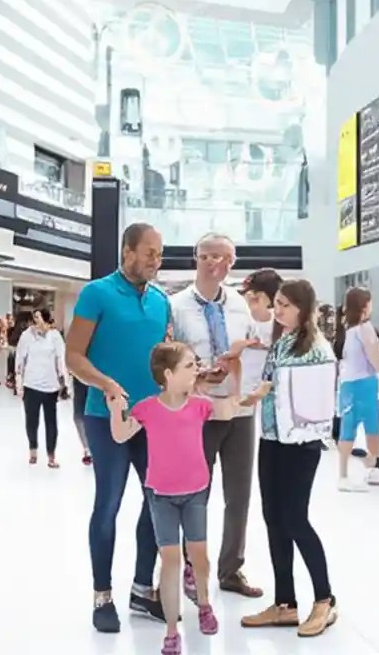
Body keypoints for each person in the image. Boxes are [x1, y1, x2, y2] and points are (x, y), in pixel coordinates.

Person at [66, 222, 169, 632]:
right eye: (149, 252)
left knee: (157, 502)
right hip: (106, 416)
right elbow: (74, 357)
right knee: (108, 502)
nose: (156, 260)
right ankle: (102, 595)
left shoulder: (161, 301)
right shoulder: (96, 293)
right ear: (127, 251)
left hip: (152, 418)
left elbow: (162, 359)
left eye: (159, 254)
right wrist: (106, 384)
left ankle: (143, 590)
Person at [168, 233, 263, 601]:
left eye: (221, 257)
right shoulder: (176, 306)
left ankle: (231, 567)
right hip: (198, 412)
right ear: (196, 258)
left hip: (239, 410)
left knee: (238, 494)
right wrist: (196, 376)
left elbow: (254, 349)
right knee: (195, 495)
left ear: (232, 262)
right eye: (206, 255)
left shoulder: (240, 305)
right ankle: (192, 569)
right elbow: (169, 357)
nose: (213, 263)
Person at [240, 279, 338, 637]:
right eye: (276, 304)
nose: (277, 311)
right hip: (272, 438)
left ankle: (325, 599)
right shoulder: (282, 341)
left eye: (284, 305)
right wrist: (258, 394)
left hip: (300, 443)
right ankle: (285, 603)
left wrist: (271, 389)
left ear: (303, 308)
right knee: (274, 518)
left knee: (295, 519)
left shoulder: (317, 348)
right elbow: (271, 384)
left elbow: (314, 397)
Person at [110, 342, 220, 653]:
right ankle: (171, 630)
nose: (196, 370)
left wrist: (244, 393)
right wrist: (115, 410)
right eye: (189, 366)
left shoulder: (201, 406)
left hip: (196, 492)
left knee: (199, 555)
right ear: (168, 374)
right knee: (170, 560)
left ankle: (204, 603)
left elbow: (228, 410)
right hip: (161, 497)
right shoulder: (147, 409)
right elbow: (120, 435)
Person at [336, 287, 379, 492]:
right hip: (364, 384)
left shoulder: (346, 329)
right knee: (371, 426)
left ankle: (347, 473)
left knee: (349, 427)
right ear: (365, 306)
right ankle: (369, 468)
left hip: (348, 384)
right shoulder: (365, 329)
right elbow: (377, 362)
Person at [15, 309, 68, 468]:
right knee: (31, 421)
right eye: (34, 317)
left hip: (50, 386)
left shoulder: (55, 336)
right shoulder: (27, 336)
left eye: (38, 317)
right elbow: (20, 359)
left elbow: (61, 359)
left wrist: (64, 380)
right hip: (31, 385)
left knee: (51, 423)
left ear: (46, 319)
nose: (35, 320)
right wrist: (19, 381)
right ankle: (33, 449)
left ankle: (51, 456)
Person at [72, 378, 93, 466]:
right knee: (78, 417)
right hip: (80, 380)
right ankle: (87, 449)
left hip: (98, 381)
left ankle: (94, 448)